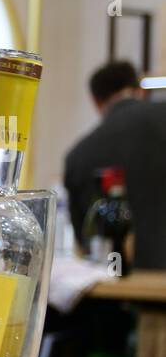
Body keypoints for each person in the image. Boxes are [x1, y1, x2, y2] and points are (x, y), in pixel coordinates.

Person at [63, 60, 166, 271]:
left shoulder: (79, 156)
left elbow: (87, 240)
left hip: (122, 285)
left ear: (96, 101)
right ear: (140, 90)